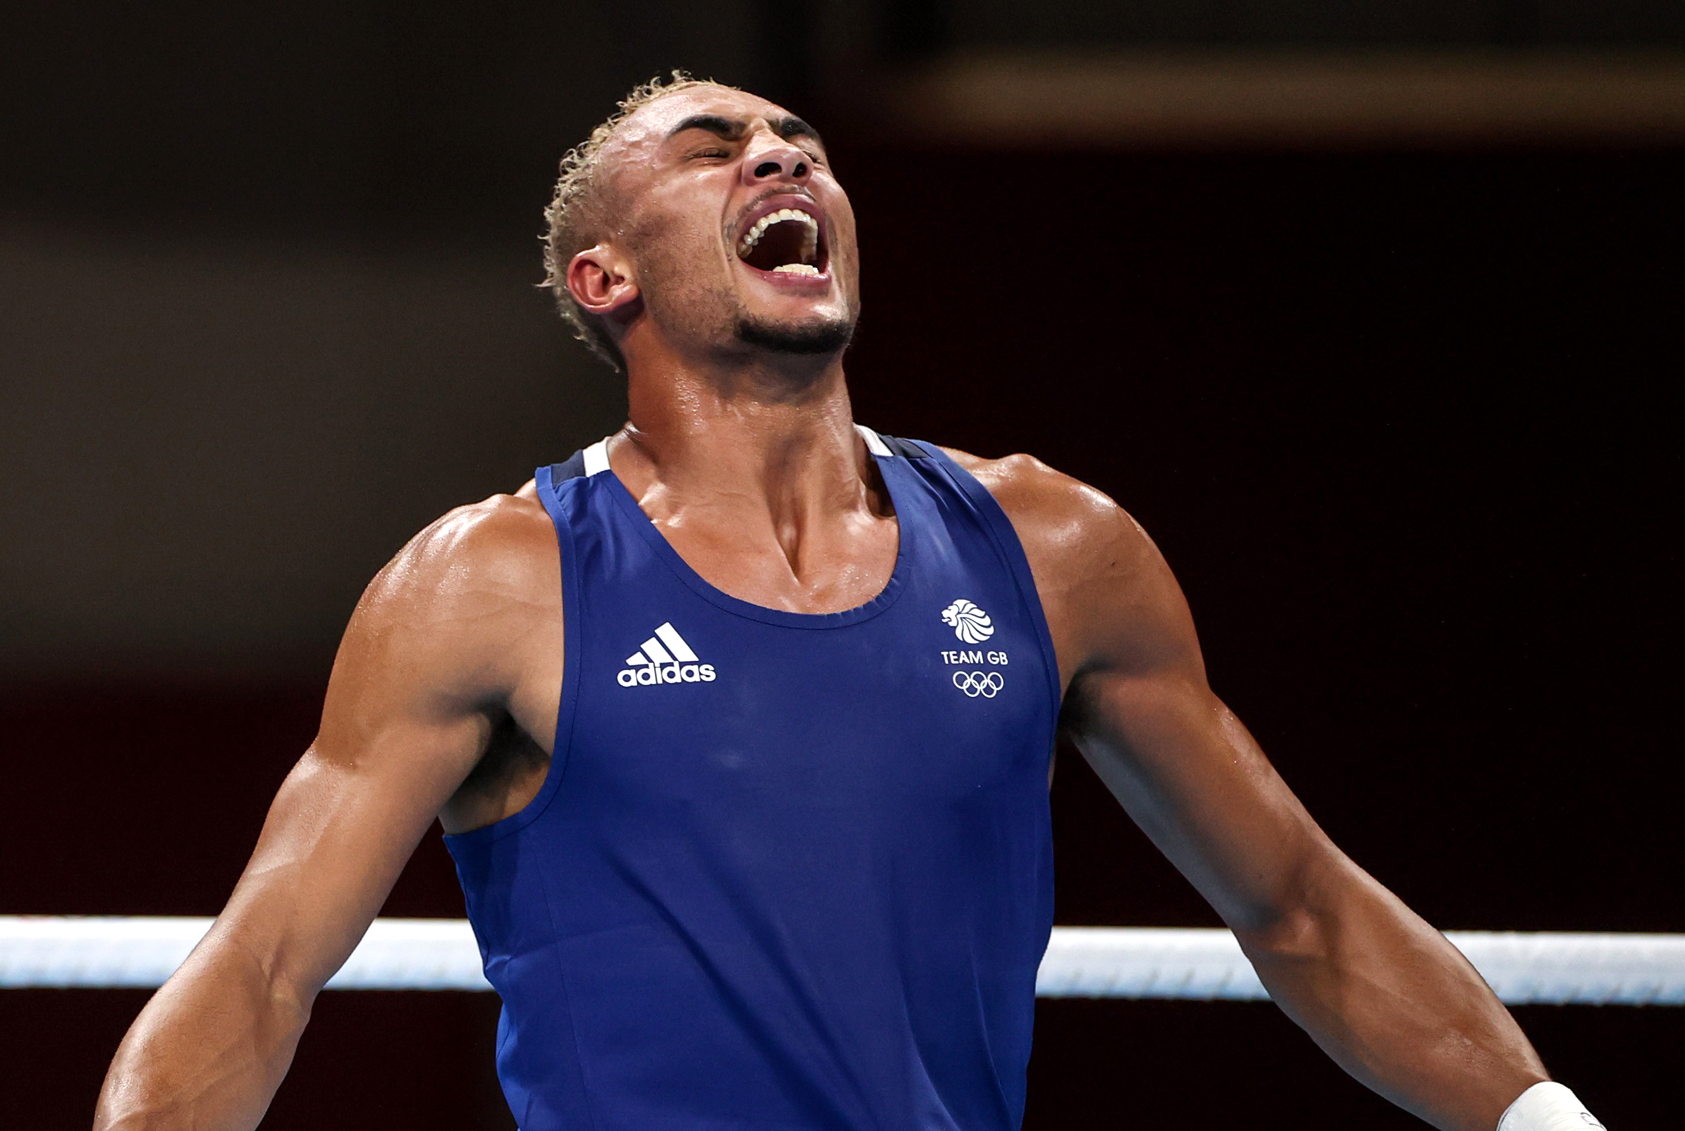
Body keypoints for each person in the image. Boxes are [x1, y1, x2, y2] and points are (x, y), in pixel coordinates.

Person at [93, 74, 1599, 1131]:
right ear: (605, 278)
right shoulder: (496, 581)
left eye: (802, 145)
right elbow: (262, 968)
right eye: (713, 150)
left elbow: (1302, 905)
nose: (780, 161)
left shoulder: (1053, 548)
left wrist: (1547, 1119)